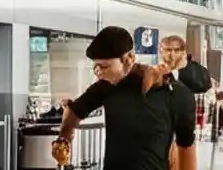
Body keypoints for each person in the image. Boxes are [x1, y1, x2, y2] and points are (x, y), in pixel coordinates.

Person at [51, 26, 197, 170]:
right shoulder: (106, 86)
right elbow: (75, 111)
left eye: (104, 66)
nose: (98, 72)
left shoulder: (178, 94)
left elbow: (186, 148)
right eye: (96, 66)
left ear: (129, 58)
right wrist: (63, 138)